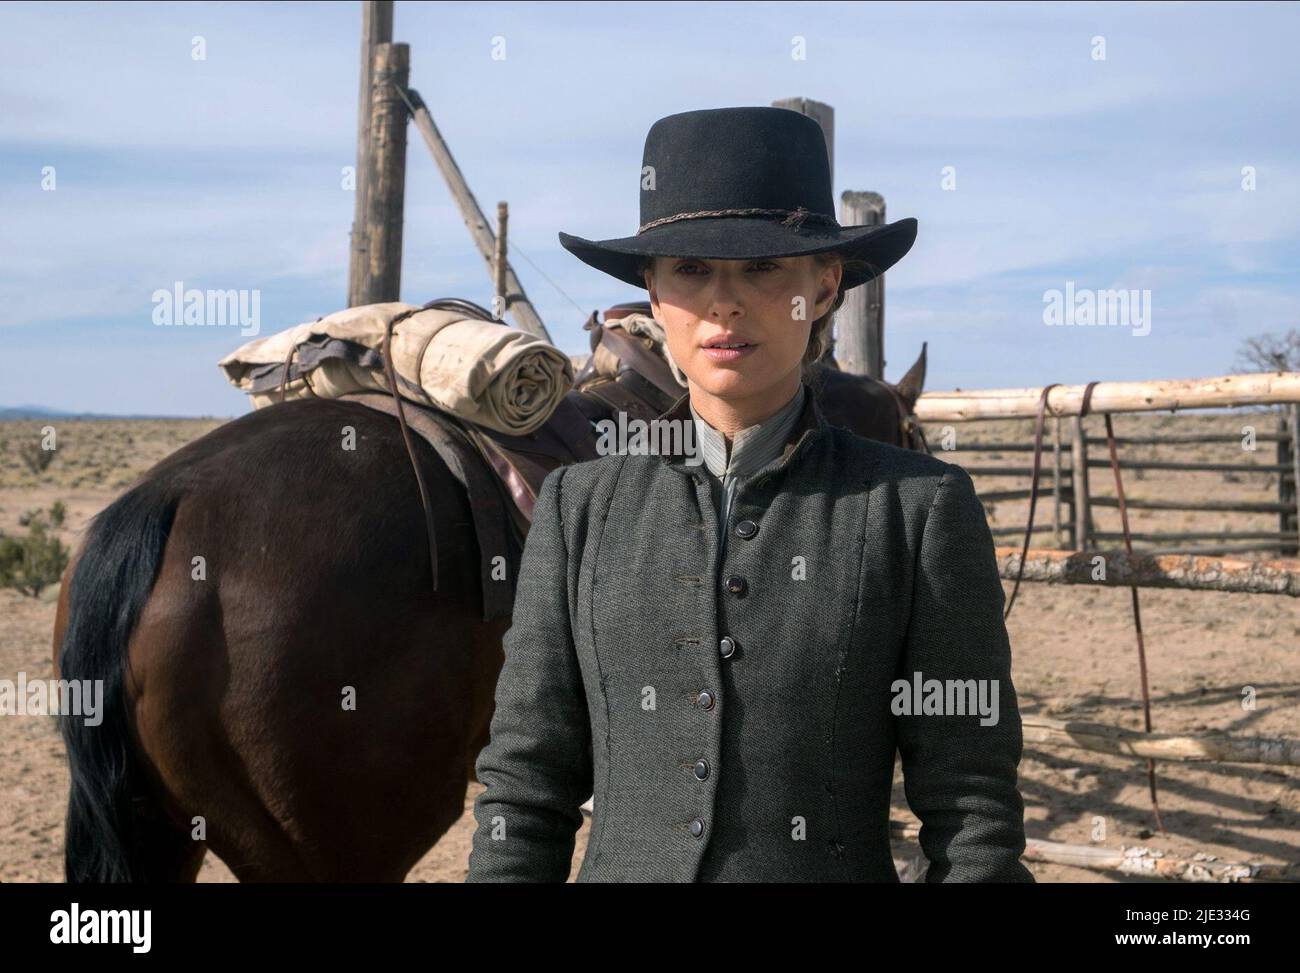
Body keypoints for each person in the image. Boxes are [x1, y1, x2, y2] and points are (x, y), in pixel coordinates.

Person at [466, 106, 1033, 882]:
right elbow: (525, 786)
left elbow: (971, 808)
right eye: (691, 270)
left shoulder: (917, 508)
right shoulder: (578, 508)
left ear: (825, 285)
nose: (724, 303)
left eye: (763, 267)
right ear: (653, 296)